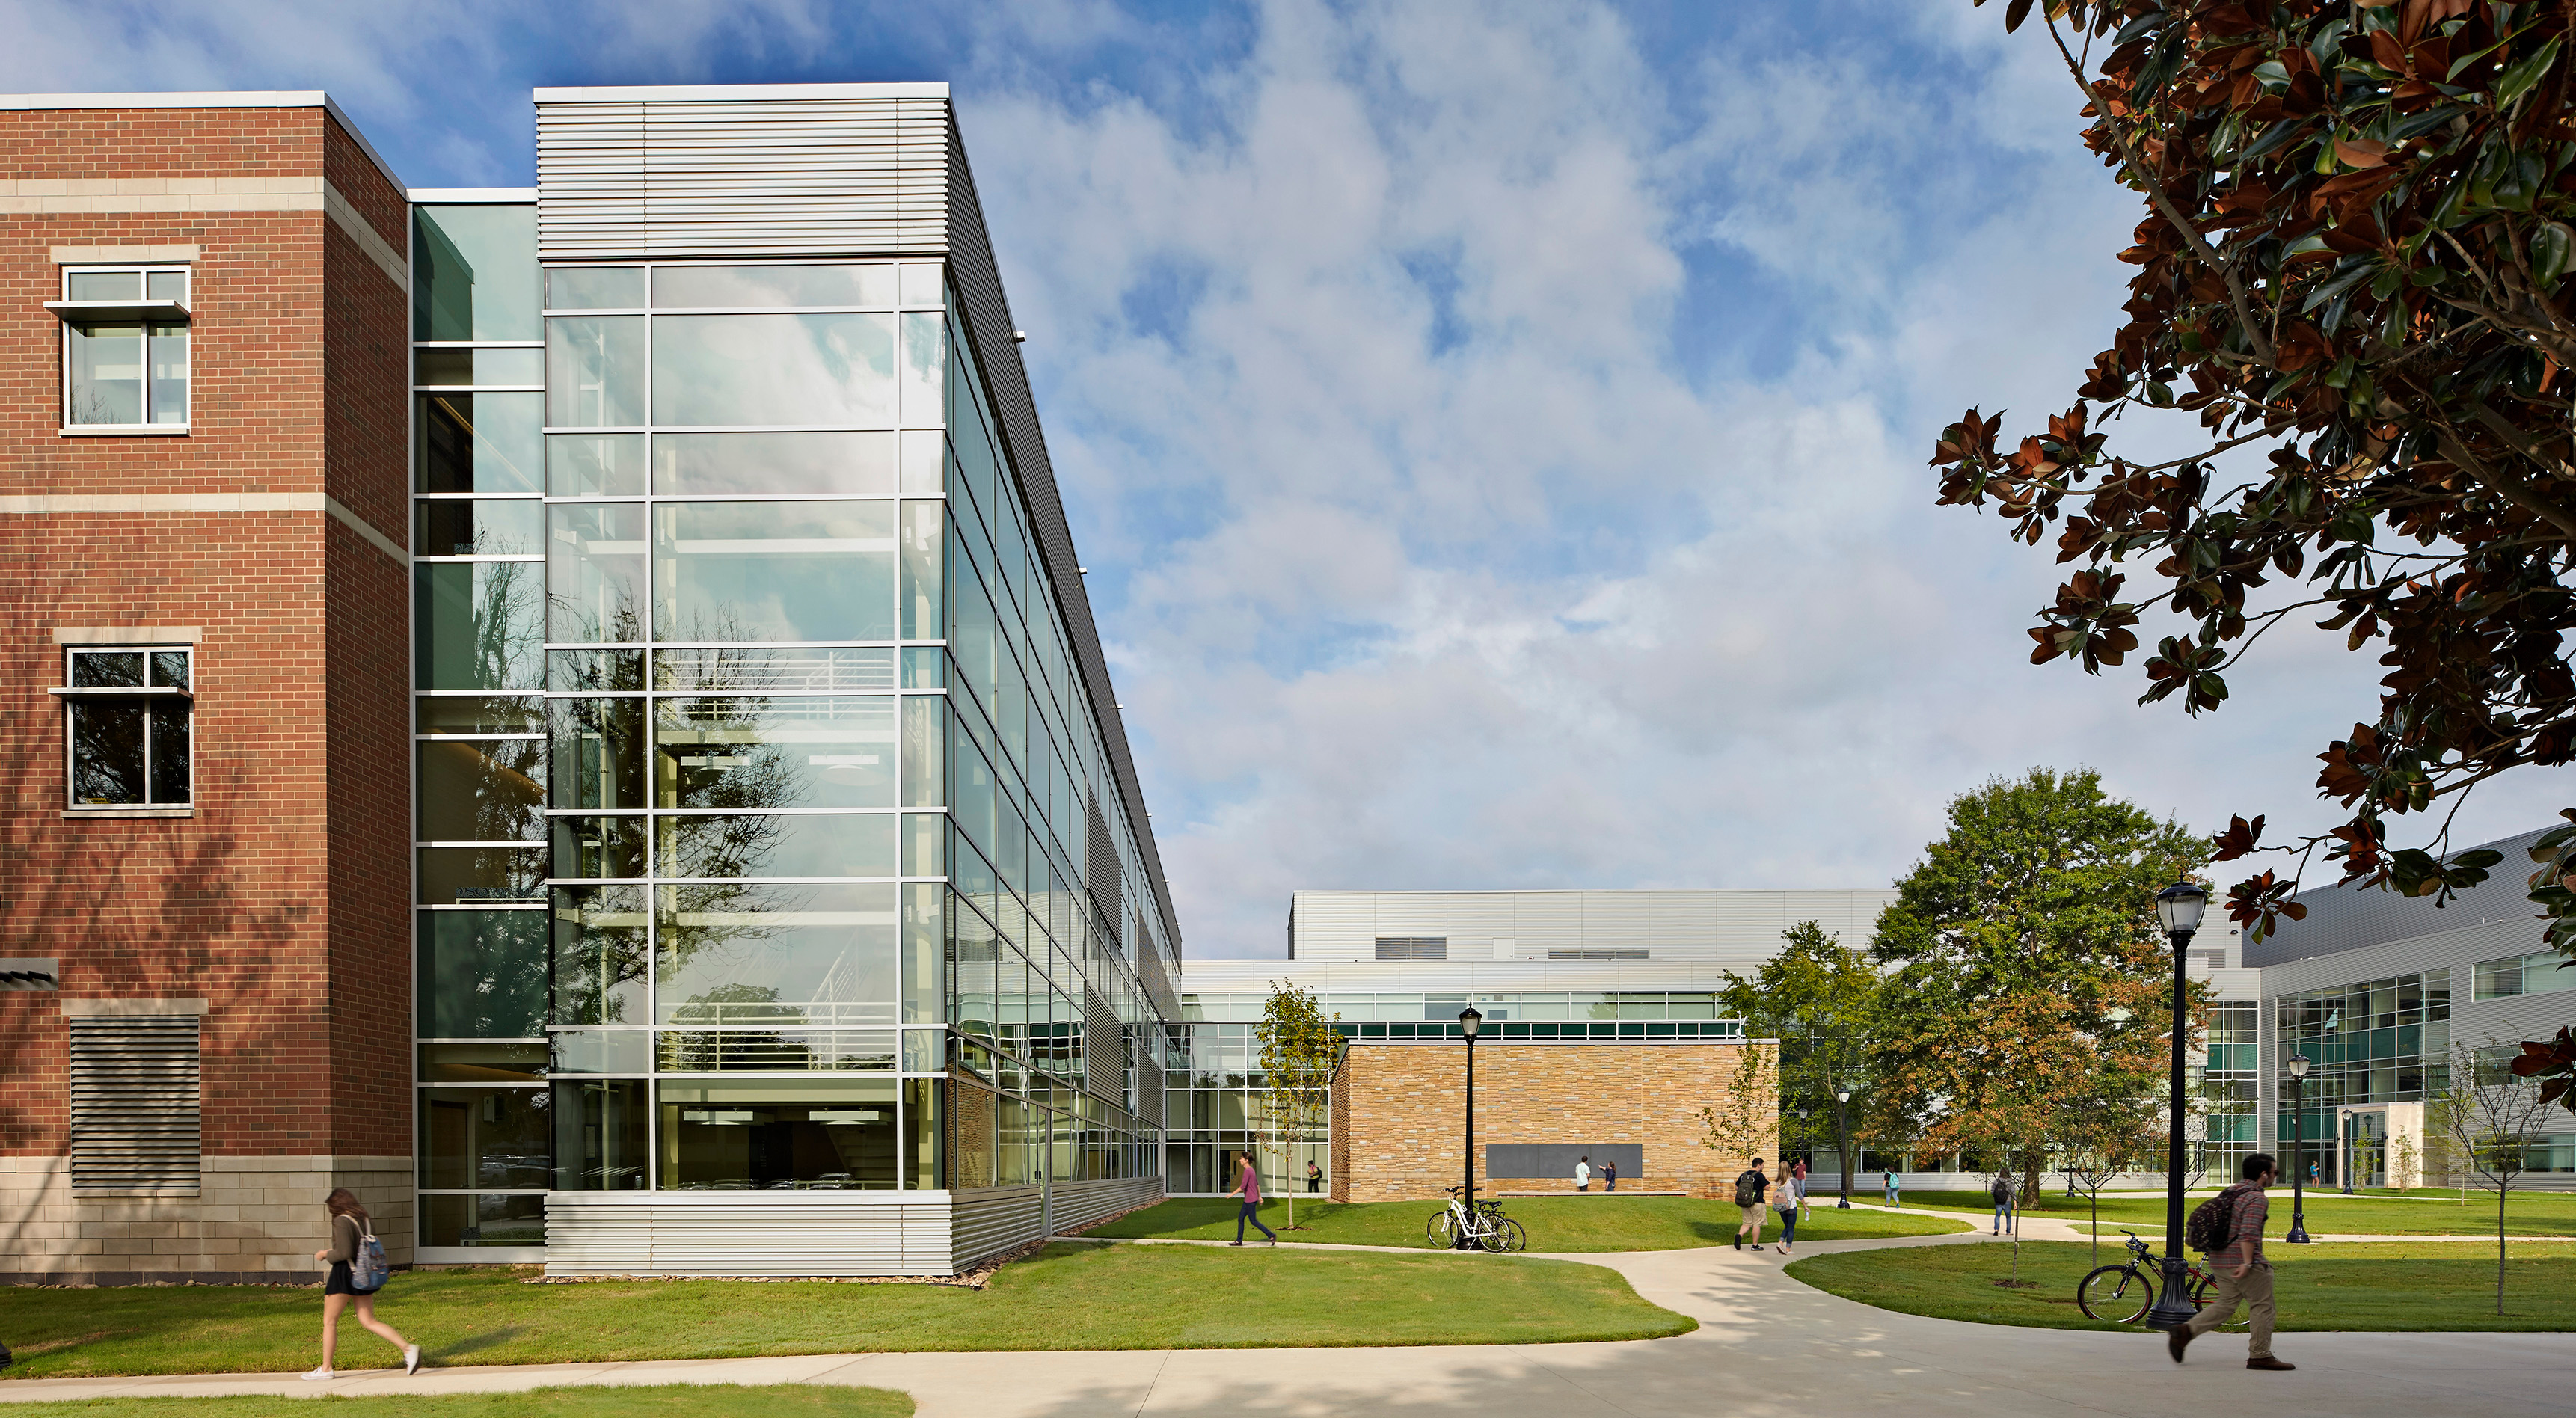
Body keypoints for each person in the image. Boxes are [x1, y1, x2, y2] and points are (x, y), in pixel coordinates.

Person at [2171, 1152, 2295, 1371]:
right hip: (2244, 1262)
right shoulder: (2257, 1198)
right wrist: (2247, 1263)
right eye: (2275, 1172)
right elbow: (2248, 1233)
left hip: (2219, 1258)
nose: (2276, 1176)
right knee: (2263, 1306)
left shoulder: (2232, 1191)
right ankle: (2260, 1355)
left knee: (2226, 1304)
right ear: (2263, 1175)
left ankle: (2186, 1332)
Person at [305, 1188, 418, 1381]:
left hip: (344, 1274)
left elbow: (345, 1251)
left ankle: (326, 1368)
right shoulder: (365, 1218)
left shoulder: (342, 1220)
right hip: (364, 1274)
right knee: (368, 1320)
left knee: (330, 1322)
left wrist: (326, 1254)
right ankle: (408, 1349)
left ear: (336, 1206)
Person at [1228, 1152, 1277, 1247]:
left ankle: (1271, 1235)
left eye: (1241, 1158)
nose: (1240, 1160)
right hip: (1249, 1200)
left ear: (1246, 1160)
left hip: (1250, 1200)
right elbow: (1257, 1184)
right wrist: (1259, 1196)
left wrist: (1231, 1194)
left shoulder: (1248, 1171)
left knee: (1253, 1221)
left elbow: (1243, 1186)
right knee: (1241, 1218)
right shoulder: (1252, 1171)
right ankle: (1239, 1241)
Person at [1733, 1157, 1770, 1250]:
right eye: (1763, 1165)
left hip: (1745, 1203)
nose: (1763, 1167)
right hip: (1757, 1203)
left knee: (1746, 1224)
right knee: (1757, 1224)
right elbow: (1767, 1187)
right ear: (1758, 1166)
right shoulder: (1759, 1175)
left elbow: (1737, 1187)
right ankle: (1755, 1245)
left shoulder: (1743, 1175)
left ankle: (1739, 1235)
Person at [1773, 1165, 1803, 1254]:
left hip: (1782, 1208)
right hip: (1791, 1207)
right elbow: (1799, 1194)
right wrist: (1805, 1206)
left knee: (1787, 1226)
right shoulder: (1793, 1181)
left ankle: (1780, 1243)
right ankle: (1788, 1249)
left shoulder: (1779, 1182)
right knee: (1790, 1228)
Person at [1990, 1170, 2016, 1235]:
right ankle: (2008, 1231)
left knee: (1997, 1216)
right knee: (2008, 1216)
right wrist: (2015, 1203)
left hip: (1998, 1201)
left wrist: (1997, 1197)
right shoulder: (2010, 1181)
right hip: (2007, 1201)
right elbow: (2013, 1192)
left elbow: (1992, 1191)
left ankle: (1996, 1229)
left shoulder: (1997, 1181)